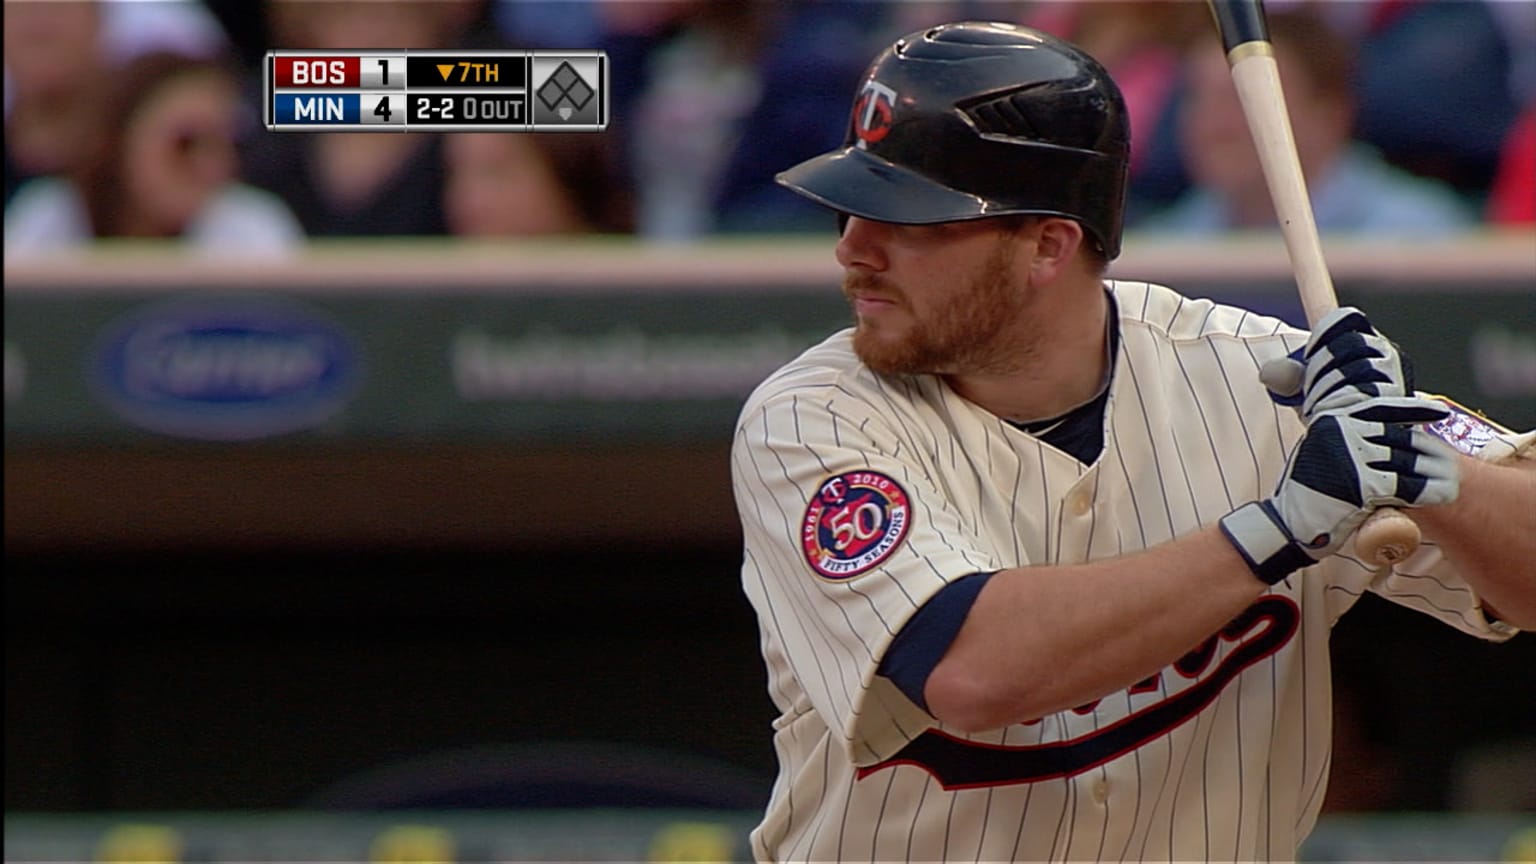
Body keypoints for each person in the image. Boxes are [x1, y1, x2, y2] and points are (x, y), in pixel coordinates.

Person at [730, 22, 1534, 862]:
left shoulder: (1263, 378)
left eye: (907, 219)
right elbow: (970, 672)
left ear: (1048, 245)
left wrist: (1432, 469)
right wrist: (1280, 530)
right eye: (852, 210)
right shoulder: (811, 418)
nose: (853, 250)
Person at [1143, 9, 1475, 237]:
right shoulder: (1166, 244)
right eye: (1197, 96)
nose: (1212, 123)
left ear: (1331, 113)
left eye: (1241, 97)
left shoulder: (1422, 235)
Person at [5, 50, 302, 256]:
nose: (214, 166)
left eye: (228, 144)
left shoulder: (251, 226)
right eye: (186, 143)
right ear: (120, 142)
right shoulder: (50, 217)